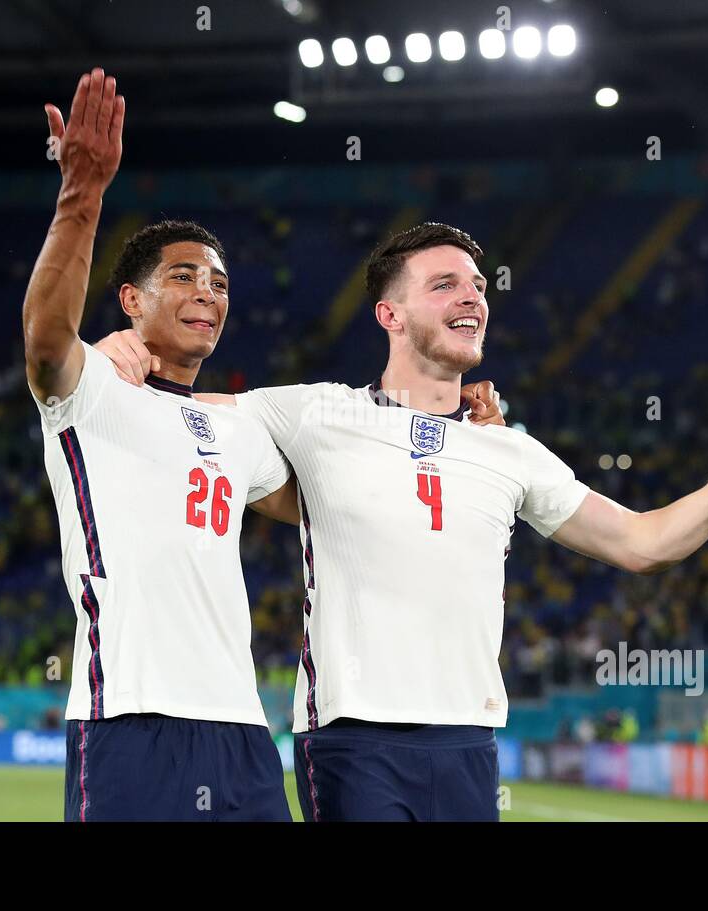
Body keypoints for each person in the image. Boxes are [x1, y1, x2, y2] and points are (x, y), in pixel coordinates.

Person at [98, 221, 708, 822]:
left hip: (469, 745)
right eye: (444, 285)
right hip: (353, 740)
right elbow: (177, 414)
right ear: (389, 314)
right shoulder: (317, 413)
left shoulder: (510, 450)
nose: (472, 297)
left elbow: (645, 542)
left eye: (478, 286)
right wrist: (106, 359)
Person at [25, 70, 504, 821]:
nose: (208, 293)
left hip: (244, 738)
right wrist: (81, 198)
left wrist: (453, 439)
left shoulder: (238, 429)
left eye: (219, 283)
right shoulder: (93, 393)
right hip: (130, 719)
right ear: (131, 300)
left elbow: (355, 498)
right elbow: (47, 340)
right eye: (183, 277)